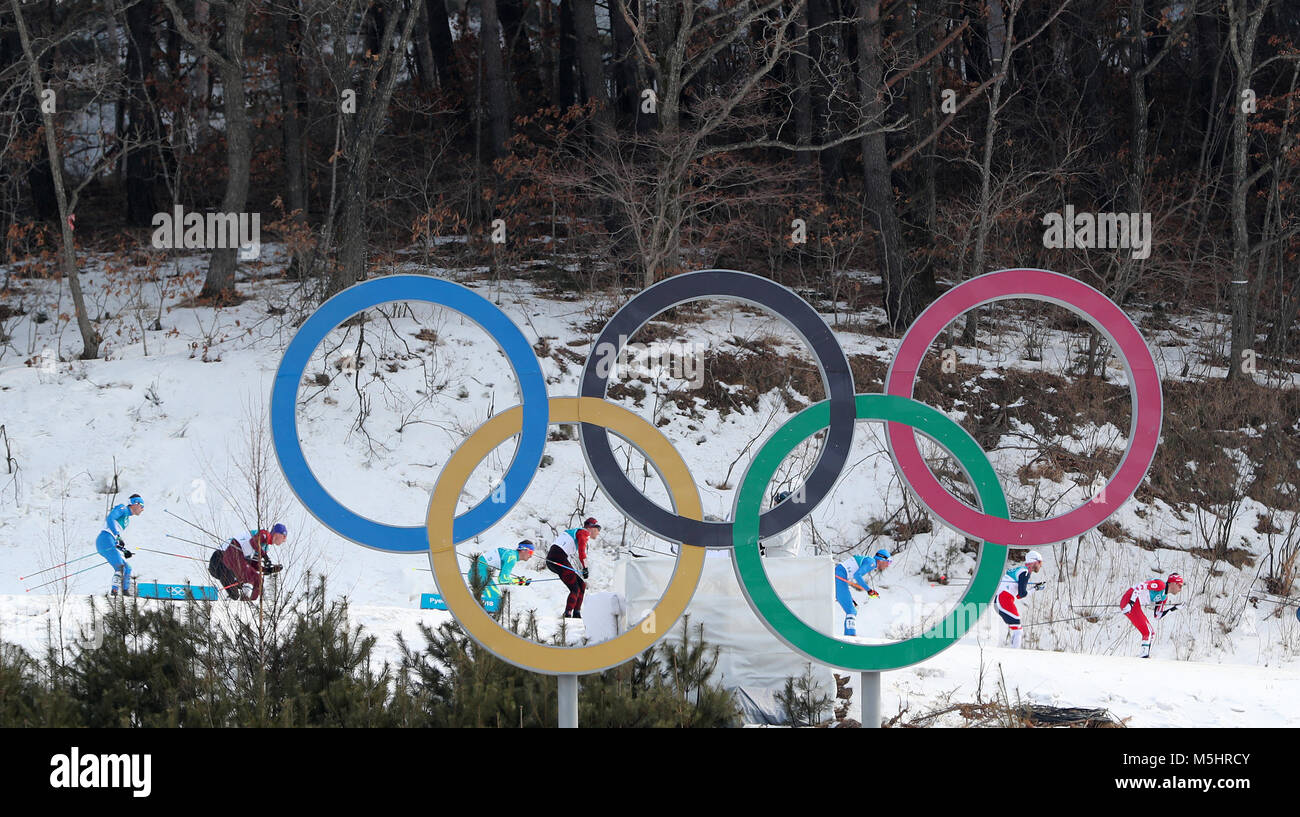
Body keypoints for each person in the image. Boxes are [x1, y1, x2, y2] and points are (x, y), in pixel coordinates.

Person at [208, 523, 287, 600]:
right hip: (221, 559)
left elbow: (254, 565)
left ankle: (223, 599)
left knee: (236, 595)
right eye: (284, 536)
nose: (284, 540)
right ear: (277, 534)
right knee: (238, 589)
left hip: (225, 567)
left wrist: (269, 570)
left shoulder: (264, 547)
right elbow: (254, 543)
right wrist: (265, 557)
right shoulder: (264, 534)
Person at [1121, 573, 1184, 658]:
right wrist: (1131, 603)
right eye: (1180, 586)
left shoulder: (1164, 598)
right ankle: (1143, 656)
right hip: (1130, 599)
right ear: (1173, 583)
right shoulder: (1160, 585)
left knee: (1152, 633)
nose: (1180, 589)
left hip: (1135, 603)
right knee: (1148, 632)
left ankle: (1145, 655)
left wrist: (1174, 608)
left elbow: (1158, 615)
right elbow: (1140, 586)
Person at [548, 517, 599, 619]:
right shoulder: (583, 533)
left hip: (556, 557)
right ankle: (567, 615)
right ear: (591, 528)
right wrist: (585, 568)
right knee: (575, 588)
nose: (598, 533)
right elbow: (581, 552)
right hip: (558, 557)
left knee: (581, 585)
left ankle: (576, 613)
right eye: (598, 529)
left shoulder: (579, 532)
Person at [835, 548, 891, 636]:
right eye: (888, 562)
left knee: (852, 609)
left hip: (840, 576)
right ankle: (850, 637)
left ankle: (850, 636)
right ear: (881, 560)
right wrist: (869, 590)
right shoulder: (871, 562)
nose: (888, 565)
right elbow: (857, 575)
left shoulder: (869, 561)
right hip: (839, 576)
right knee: (851, 610)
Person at [96, 494, 144, 596]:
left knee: (127, 568)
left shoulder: (127, 519)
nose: (142, 509)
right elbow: (110, 519)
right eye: (142, 506)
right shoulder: (122, 508)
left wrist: (124, 551)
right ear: (135, 503)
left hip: (110, 540)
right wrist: (117, 536)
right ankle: (114, 592)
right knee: (120, 567)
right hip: (105, 539)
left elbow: (116, 540)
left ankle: (125, 592)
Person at [995, 550, 1044, 648]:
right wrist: (1035, 589)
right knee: (1018, 629)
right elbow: (1022, 593)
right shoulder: (1025, 572)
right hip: (1004, 599)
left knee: (1018, 629)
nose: (1040, 565)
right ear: (1034, 562)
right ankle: (1014, 654)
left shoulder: (1021, 570)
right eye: (1039, 562)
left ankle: (1013, 651)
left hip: (1002, 600)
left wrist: (1034, 588)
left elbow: (1018, 595)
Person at [470, 540, 536, 606]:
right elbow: (503, 579)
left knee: (494, 599)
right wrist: (519, 581)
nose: (531, 556)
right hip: (479, 572)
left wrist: (519, 581)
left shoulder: (511, 554)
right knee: (495, 598)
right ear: (523, 549)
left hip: (478, 571)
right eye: (531, 552)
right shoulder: (512, 558)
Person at [760, 491, 803, 558]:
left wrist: (762, 543)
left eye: (776, 505)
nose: (774, 508)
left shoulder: (791, 520)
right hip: (775, 560)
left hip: (784, 560)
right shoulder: (782, 520)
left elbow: (780, 539)